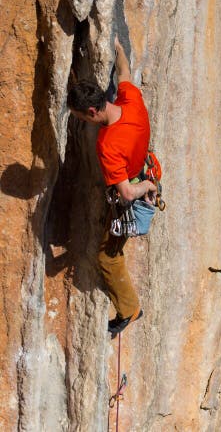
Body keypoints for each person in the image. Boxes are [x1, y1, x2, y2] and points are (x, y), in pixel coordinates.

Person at [67, 37, 156, 335]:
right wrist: (118, 48)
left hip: (132, 190)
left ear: (92, 113)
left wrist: (144, 186)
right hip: (144, 166)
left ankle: (129, 310)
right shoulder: (130, 100)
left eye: (81, 118)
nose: (84, 122)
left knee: (107, 257)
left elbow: (127, 193)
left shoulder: (107, 145)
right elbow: (125, 72)